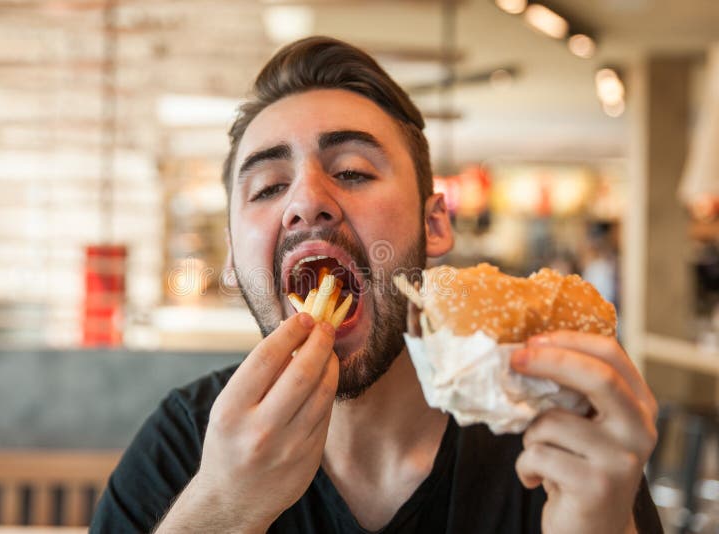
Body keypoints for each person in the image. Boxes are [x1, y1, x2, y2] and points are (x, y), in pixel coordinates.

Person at [91, 36, 662, 533]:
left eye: (351, 172)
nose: (306, 201)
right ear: (237, 260)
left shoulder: (553, 444)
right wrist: (222, 508)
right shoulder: (181, 445)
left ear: (434, 224)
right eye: (266, 187)